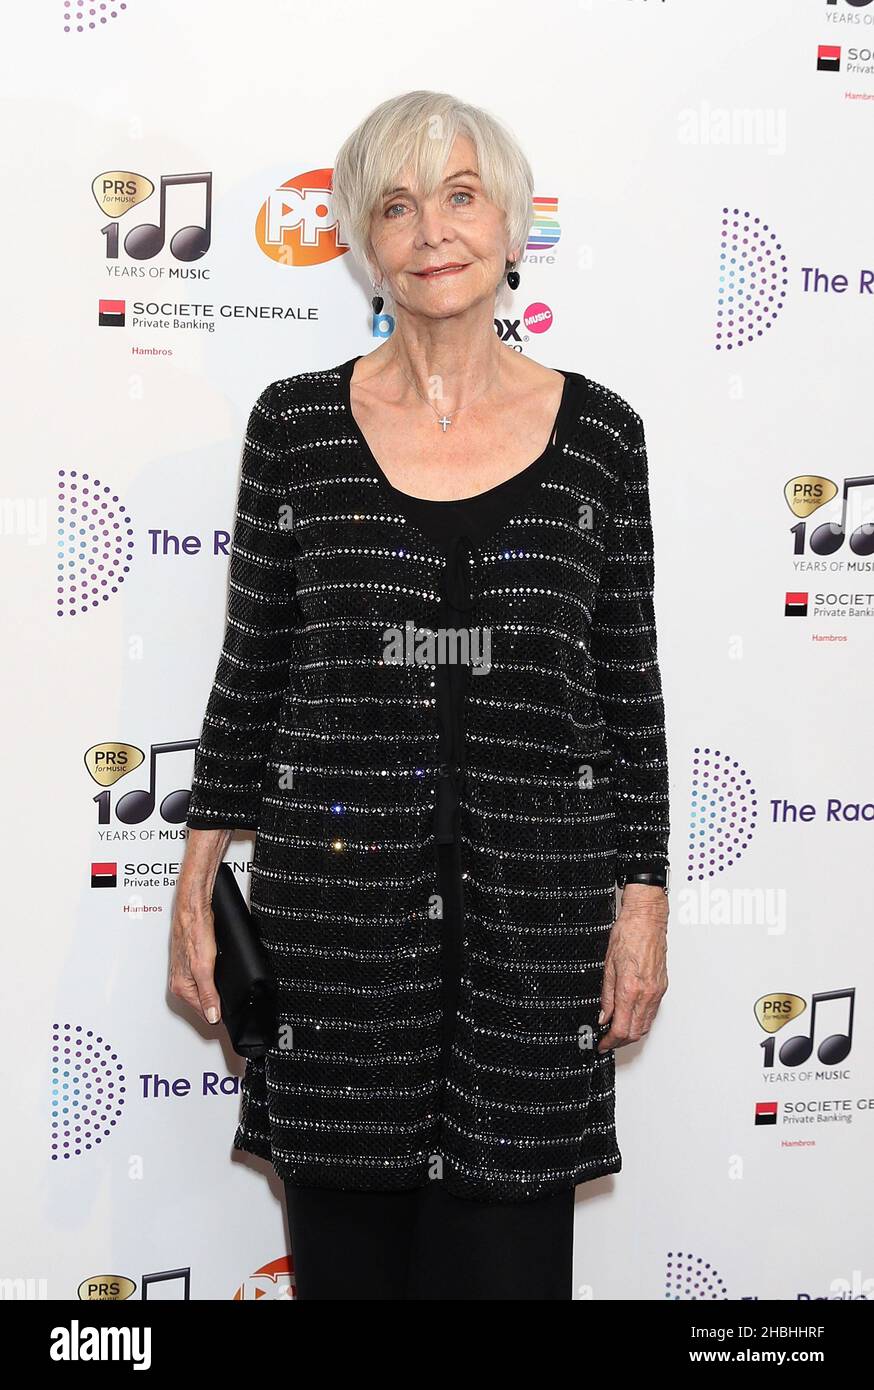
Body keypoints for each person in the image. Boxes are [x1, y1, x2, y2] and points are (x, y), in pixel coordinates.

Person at [171, 89, 671, 1300]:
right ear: (362, 243)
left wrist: (643, 900)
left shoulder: (602, 435)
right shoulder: (292, 426)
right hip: (338, 943)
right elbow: (253, 670)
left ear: (511, 227)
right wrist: (194, 883)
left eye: (458, 195)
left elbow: (629, 689)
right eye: (395, 205)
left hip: (534, 936)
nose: (430, 229)